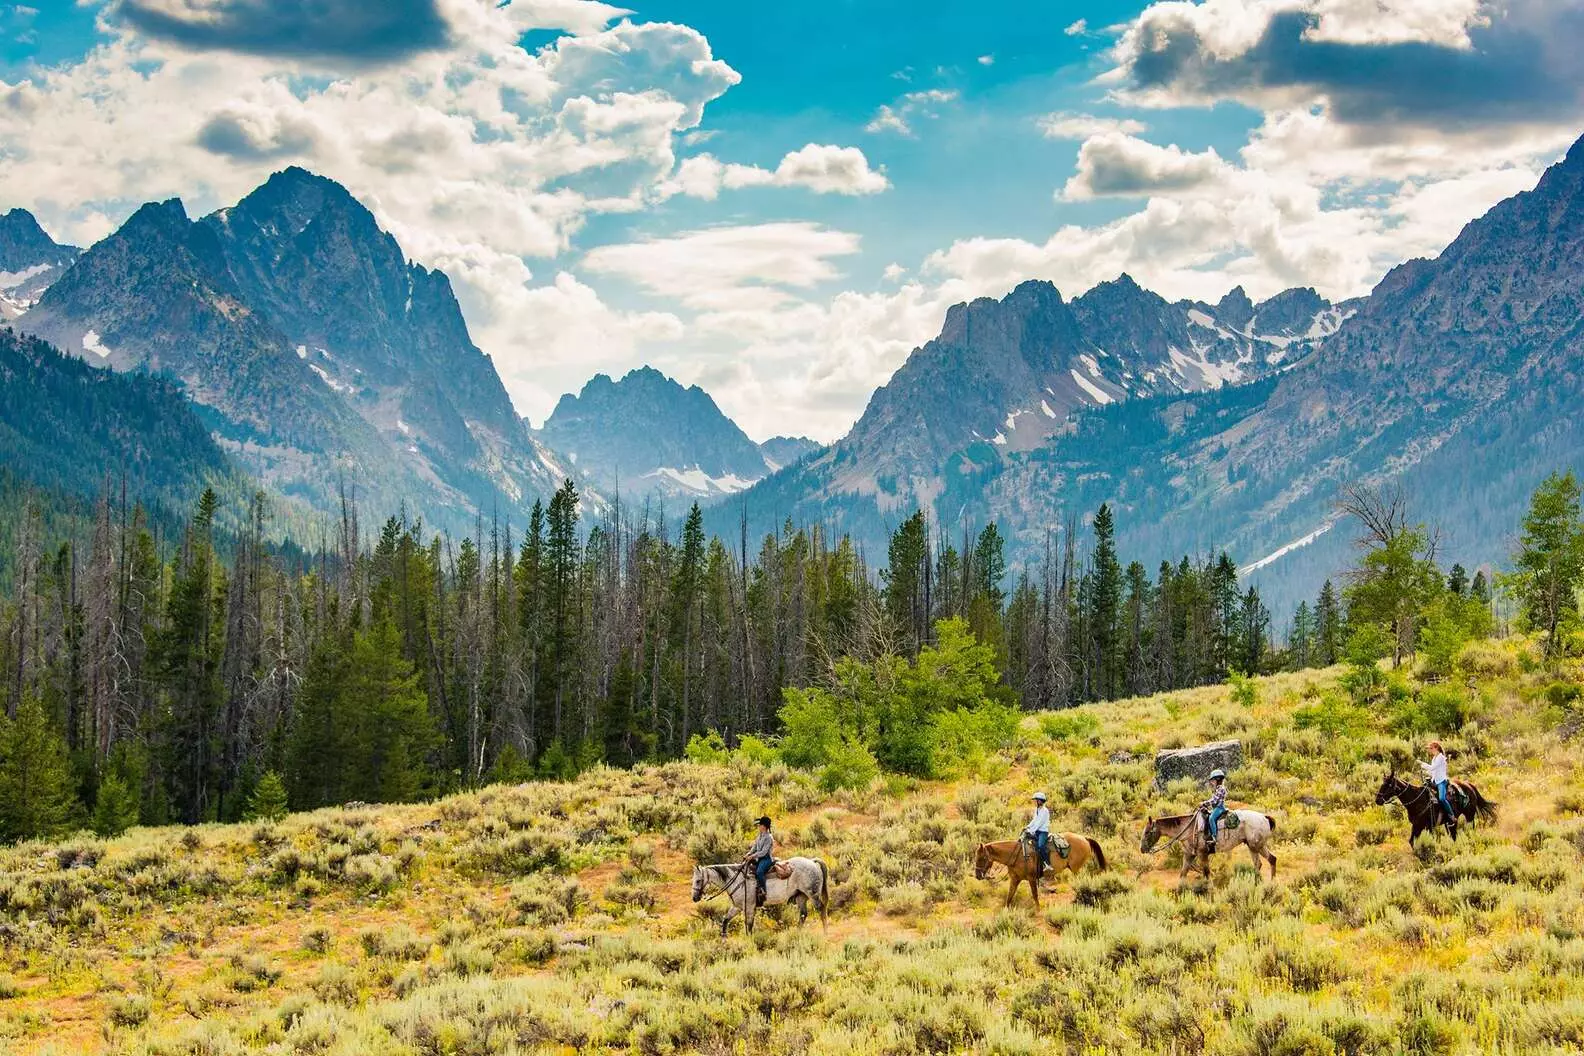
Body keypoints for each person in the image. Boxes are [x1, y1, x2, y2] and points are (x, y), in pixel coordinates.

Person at [1419, 741, 1457, 834]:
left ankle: (1452, 816)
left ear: (1436, 748)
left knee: (1442, 798)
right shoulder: (1435, 758)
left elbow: (1432, 768)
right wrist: (1427, 774)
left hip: (1441, 781)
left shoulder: (1440, 757)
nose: (1430, 750)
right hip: (1435, 781)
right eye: (1429, 748)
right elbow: (1433, 771)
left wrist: (1422, 764)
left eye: (1431, 748)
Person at [743, 815, 775, 906]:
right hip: (760, 858)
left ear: (764, 826)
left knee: (759, 871)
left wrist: (752, 856)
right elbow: (755, 847)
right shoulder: (760, 836)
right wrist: (748, 854)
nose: (758, 827)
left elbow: (764, 852)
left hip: (766, 859)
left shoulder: (769, 837)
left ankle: (763, 891)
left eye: (759, 825)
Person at [1024, 792, 1051, 879]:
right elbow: (1034, 820)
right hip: (1037, 830)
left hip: (1043, 832)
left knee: (1040, 846)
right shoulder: (1037, 810)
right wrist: (1027, 827)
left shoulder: (1045, 811)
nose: (1035, 802)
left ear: (1040, 801)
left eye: (1036, 800)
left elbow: (1039, 823)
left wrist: (1031, 831)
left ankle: (1047, 864)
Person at [1201, 769, 1228, 850]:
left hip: (1219, 808)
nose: (1212, 782)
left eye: (1213, 780)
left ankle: (1214, 838)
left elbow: (1214, 800)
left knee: (1211, 818)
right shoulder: (1218, 788)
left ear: (1218, 780)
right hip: (1216, 807)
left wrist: (1204, 803)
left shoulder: (1221, 789)